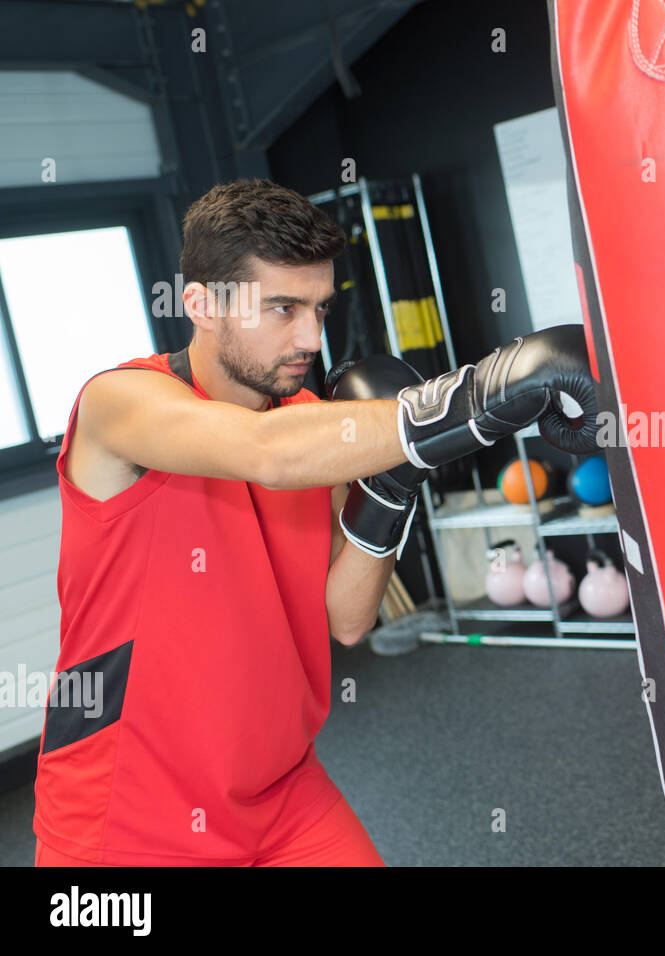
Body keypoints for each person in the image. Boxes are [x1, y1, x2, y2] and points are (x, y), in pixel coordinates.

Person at [34, 178, 597, 866]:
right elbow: (265, 454)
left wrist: (392, 479)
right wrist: (481, 393)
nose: (310, 337)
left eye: (321, 309)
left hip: (282, 791)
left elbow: (348, 617)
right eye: (282, 308)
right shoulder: (120, 403)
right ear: (201, 304)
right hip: (126, 820)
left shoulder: (311, 423)